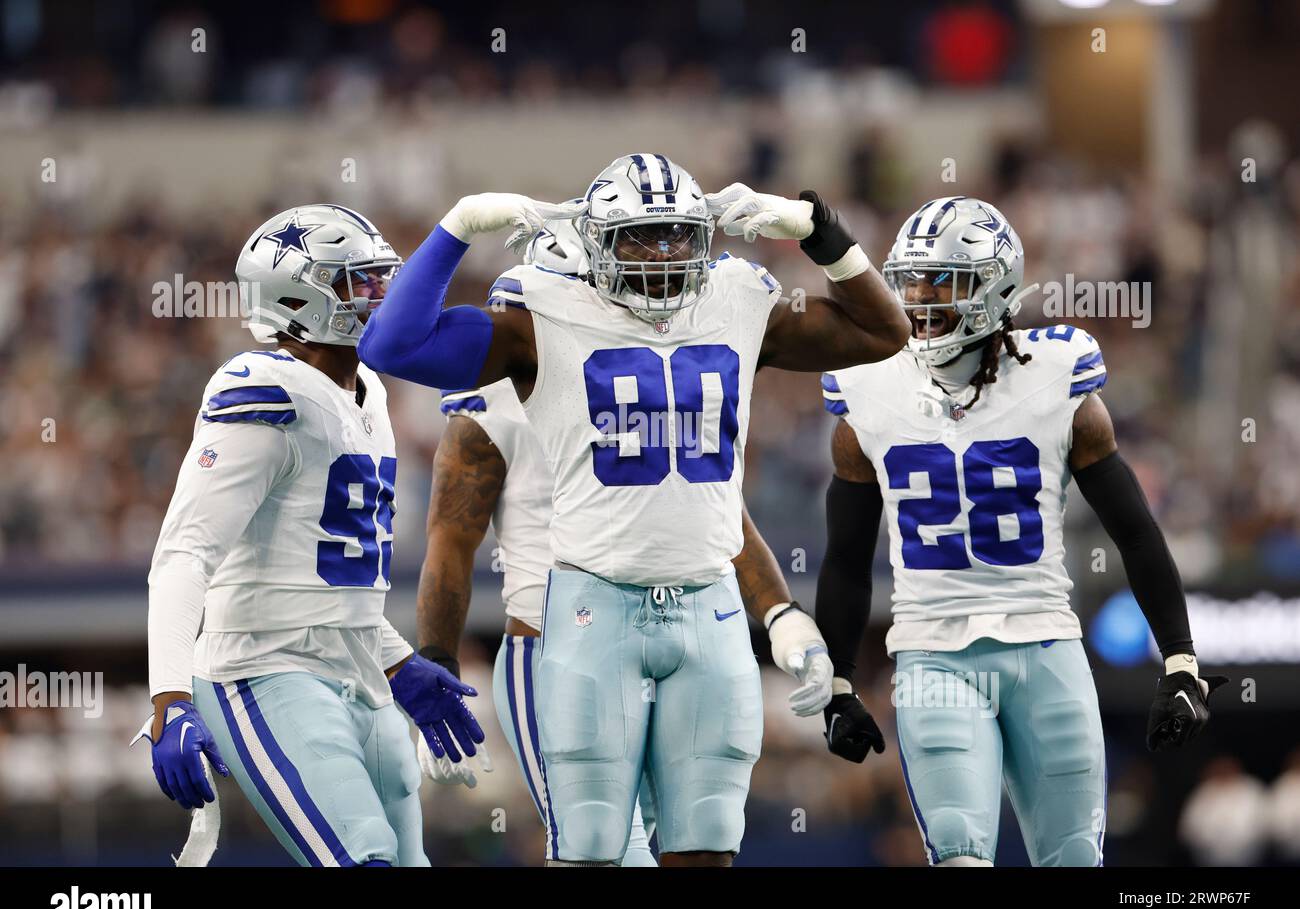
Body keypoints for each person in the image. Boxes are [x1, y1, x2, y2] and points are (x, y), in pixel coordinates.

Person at [358, 154, 909, 865]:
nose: (662, 255)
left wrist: (818, 230)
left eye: (677, 235)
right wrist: (459, 226)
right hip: (592, 609)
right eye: (639, 238)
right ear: (592, 245)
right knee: (594, 851)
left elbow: (884, 333)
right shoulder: (541, 320)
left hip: (708, 607)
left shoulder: (737, 300)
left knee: (707, 843)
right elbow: (391, 344)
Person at [814, 196, 1225, 866]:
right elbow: (848, 559)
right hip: (932, 655)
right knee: (960, 856)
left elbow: (1137, 533)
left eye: (940, 280)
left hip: (1045, 645)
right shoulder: (866, 388)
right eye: (911, 279)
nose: (920, 298)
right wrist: (837, 679)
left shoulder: (1055, 378)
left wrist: (1181, 659)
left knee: (1071, 860)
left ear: (994, 286)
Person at [418, 212, 816, 866]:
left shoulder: (661, 378)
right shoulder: (494, 401)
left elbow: (719, 519)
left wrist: (780, 615)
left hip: (679, 630)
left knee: (686, 840)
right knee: (608, 848)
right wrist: (436, 663)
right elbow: (451, 543)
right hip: (551, 641)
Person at [141, 204, 483, 867]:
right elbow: (185, 553)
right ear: (298, 296)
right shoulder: (265, 389)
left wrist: (395, 658)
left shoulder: (372, 393)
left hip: (356, 670)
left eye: (382, 279)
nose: (382, 296)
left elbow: (324, 578)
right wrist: (169, 697)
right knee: (364, 859)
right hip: (263, 669)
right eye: (361, 282)